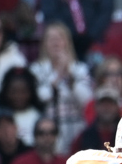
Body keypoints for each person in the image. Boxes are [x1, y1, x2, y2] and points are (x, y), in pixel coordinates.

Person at [30, 22, 92, 155]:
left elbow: (87, 100)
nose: (55, 42)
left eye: (59, 38)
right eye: (51, 39)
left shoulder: (80, 68)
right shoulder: (36, 69)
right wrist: (58, 75)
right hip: (49, 130)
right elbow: (41, 97)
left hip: (76, 126)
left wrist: (70, 78)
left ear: (67, 42)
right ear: (44, 44)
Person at [0, 67, 42, 145]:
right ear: (5, 92)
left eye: (23, 91)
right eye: (13, 91)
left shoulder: (37, 116)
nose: (18, 96)